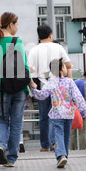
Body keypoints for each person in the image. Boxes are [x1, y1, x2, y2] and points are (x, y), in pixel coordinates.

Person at [0, 12, 29, 167]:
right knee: (16, 123)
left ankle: (0, 145)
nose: (17, 26)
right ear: (10, 24)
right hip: (19, 89)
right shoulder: (17, 41)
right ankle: (11, 158)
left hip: (1, 89)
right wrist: (30, 84)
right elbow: (24, 66)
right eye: (16, 23)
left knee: (2, 120)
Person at [31, 58, 86, 168]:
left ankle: (61, 156)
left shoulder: (51, 82)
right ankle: (64, 155)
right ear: (62, 69)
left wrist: (33, 91)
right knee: (66, 135)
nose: (66, 69)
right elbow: (78, 97)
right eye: (65, 67)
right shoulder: (70, 82)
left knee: (59, 134)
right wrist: (83, 110)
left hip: (57, 113)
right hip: (69, 113)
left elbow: (42, 95)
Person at [27, 24, 73, 152]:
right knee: (56, 113)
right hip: (58, 86)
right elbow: (68, 65)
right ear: (51, 35)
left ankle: (44, 145)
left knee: (43, 116)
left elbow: (29, 69)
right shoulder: (58, 47)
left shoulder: (34, 50)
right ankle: (55, 143)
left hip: (42, 86)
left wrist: (33, 84)